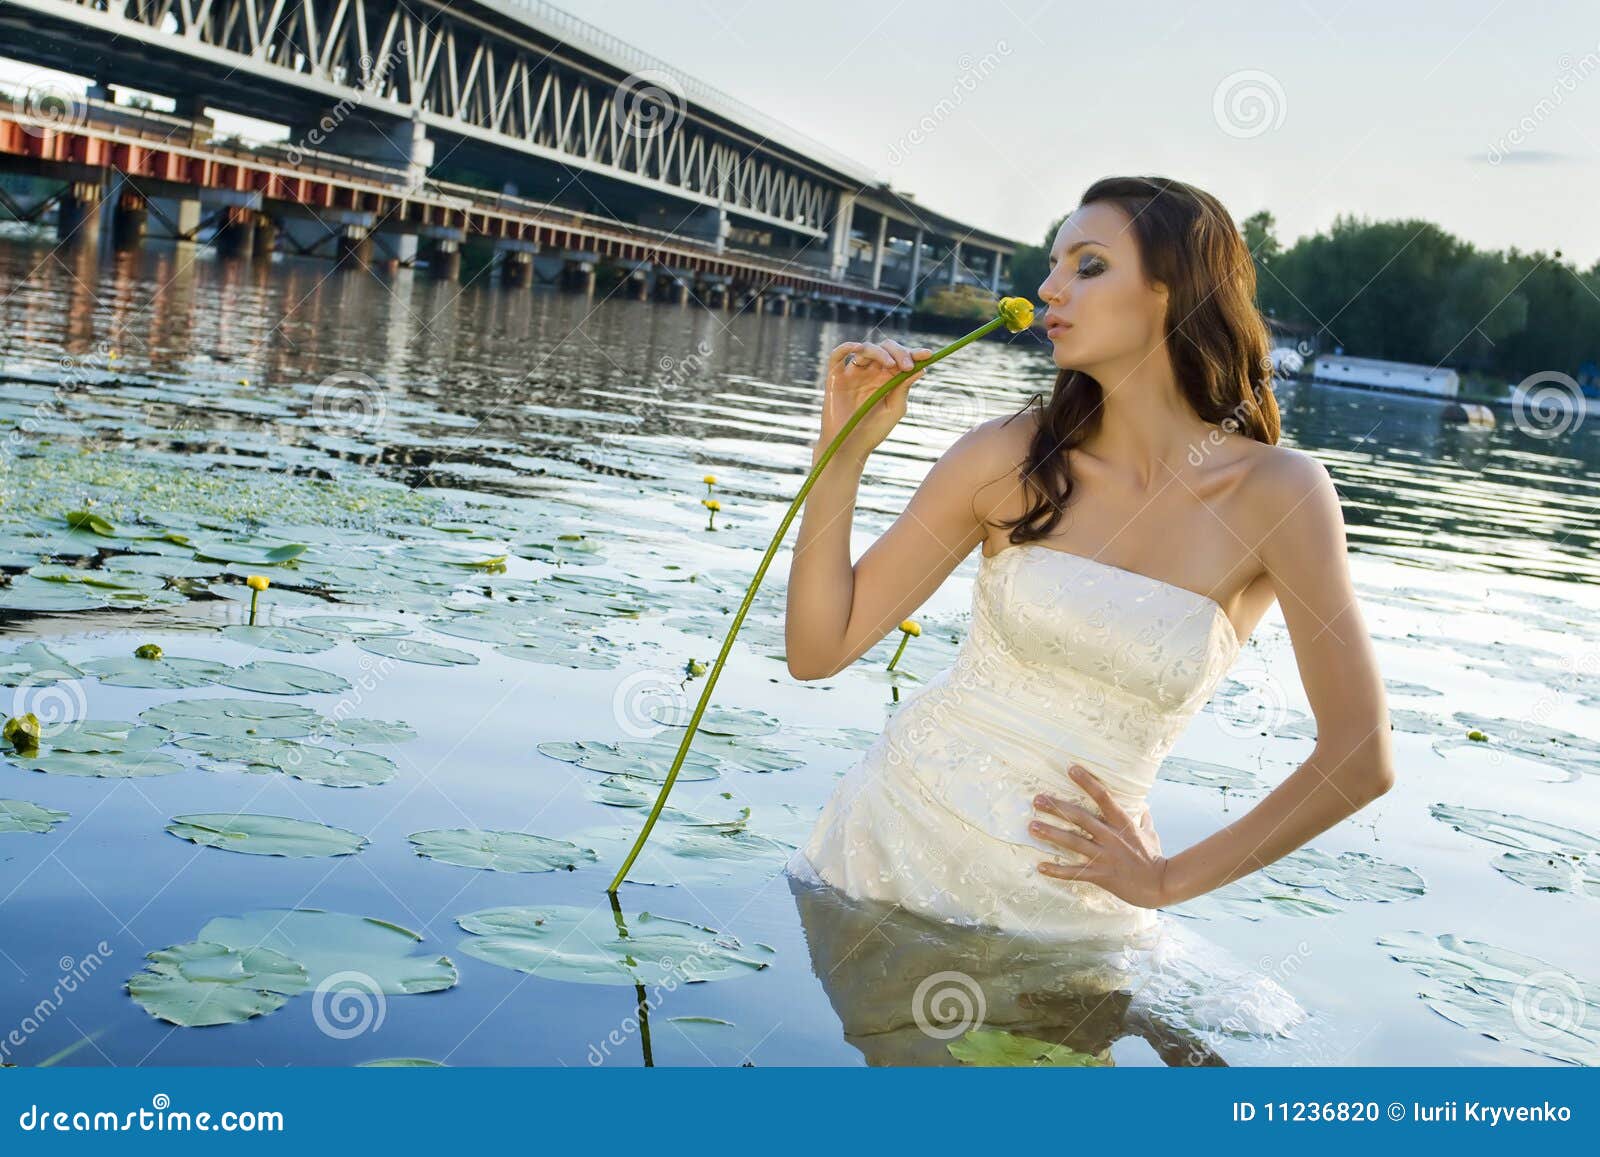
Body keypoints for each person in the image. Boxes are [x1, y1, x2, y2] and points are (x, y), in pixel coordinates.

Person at [782, 175, 1393, 947]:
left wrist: (1167, 881)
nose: (1048, 288)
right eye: (1052, 263)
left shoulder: (1281, 494)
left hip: (1077, 912)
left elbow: (1360, 755)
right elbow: (817, 648)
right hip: (889, 852)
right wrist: (841, 454)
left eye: (1089, 264)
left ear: (1172, 292)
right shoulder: (1006, 455)